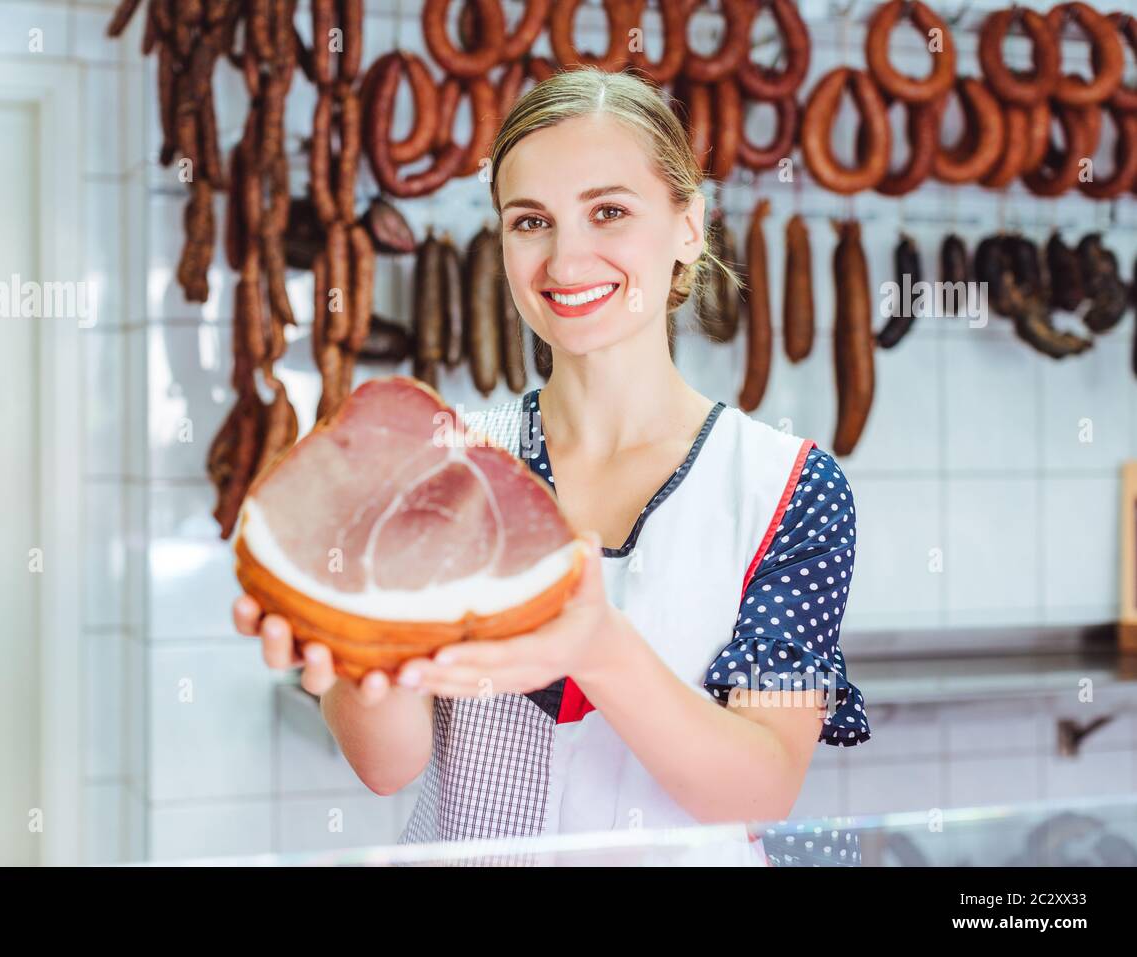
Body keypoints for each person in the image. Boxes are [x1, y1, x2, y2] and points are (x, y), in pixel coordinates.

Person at [233, 67, 870, 843]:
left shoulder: (787, 488)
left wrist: (599, 649)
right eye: (530, 221)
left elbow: (763, 782)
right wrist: (356, 640)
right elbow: (387, 766)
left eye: (608, 212)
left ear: (688, 227)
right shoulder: (445, 462)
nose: (566, 263)